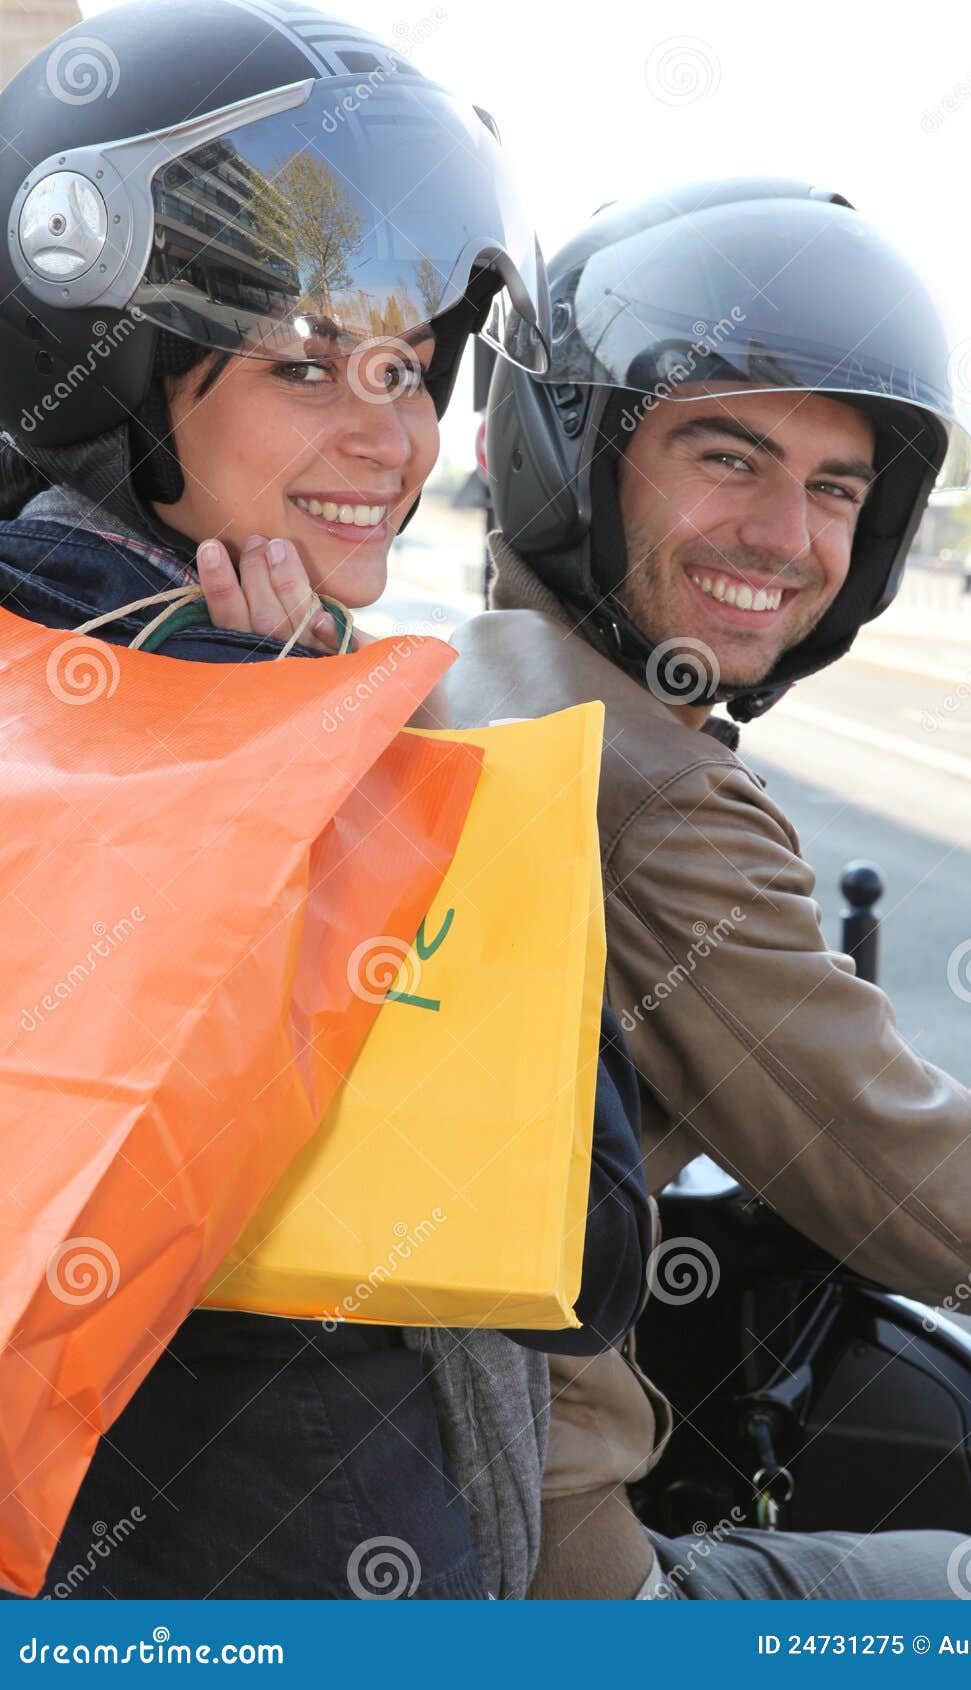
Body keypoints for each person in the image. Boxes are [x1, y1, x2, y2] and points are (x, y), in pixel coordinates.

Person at [0, 0, 650, 1600]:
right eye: (306, 364)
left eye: (410, 367)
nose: (397, 433)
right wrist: (299, 731)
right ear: (121, 381)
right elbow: (592, 1242)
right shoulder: (254, 724)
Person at [443, 178, 971, 1600]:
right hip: (544, 1567)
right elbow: (935, 1201)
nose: (788, 535)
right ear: (579, 457)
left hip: (388, 1499)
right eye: (728, 457)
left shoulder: (455, 679)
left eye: (835, 487)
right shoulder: (648, 784)